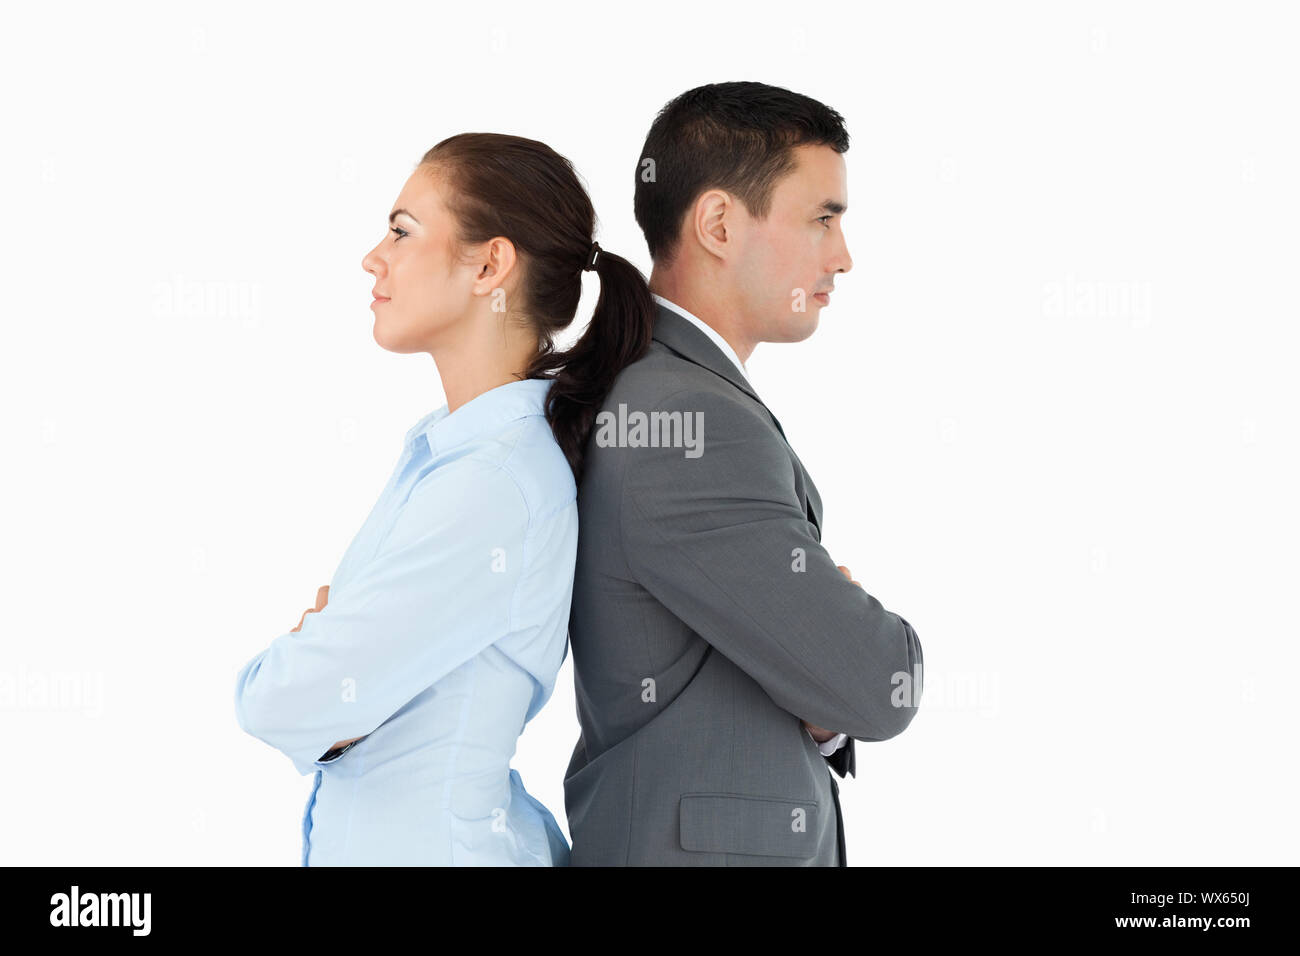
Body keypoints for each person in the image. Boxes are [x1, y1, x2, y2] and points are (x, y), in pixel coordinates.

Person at [234, 132, 655, 865]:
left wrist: (318, 670)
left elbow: (280, 702)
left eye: (401, 231)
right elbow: (330, 695)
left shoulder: (492, 485)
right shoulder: (458, 455)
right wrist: (336, 693)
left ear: (489, 264)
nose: (374, 256)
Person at [564, 81, 925, 866]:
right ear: (720, 223)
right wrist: (842, 648)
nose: (843, 255)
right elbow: (876, 686)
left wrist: (821, 691)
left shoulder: (665, 390)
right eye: (823, 217)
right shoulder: (689, 424)